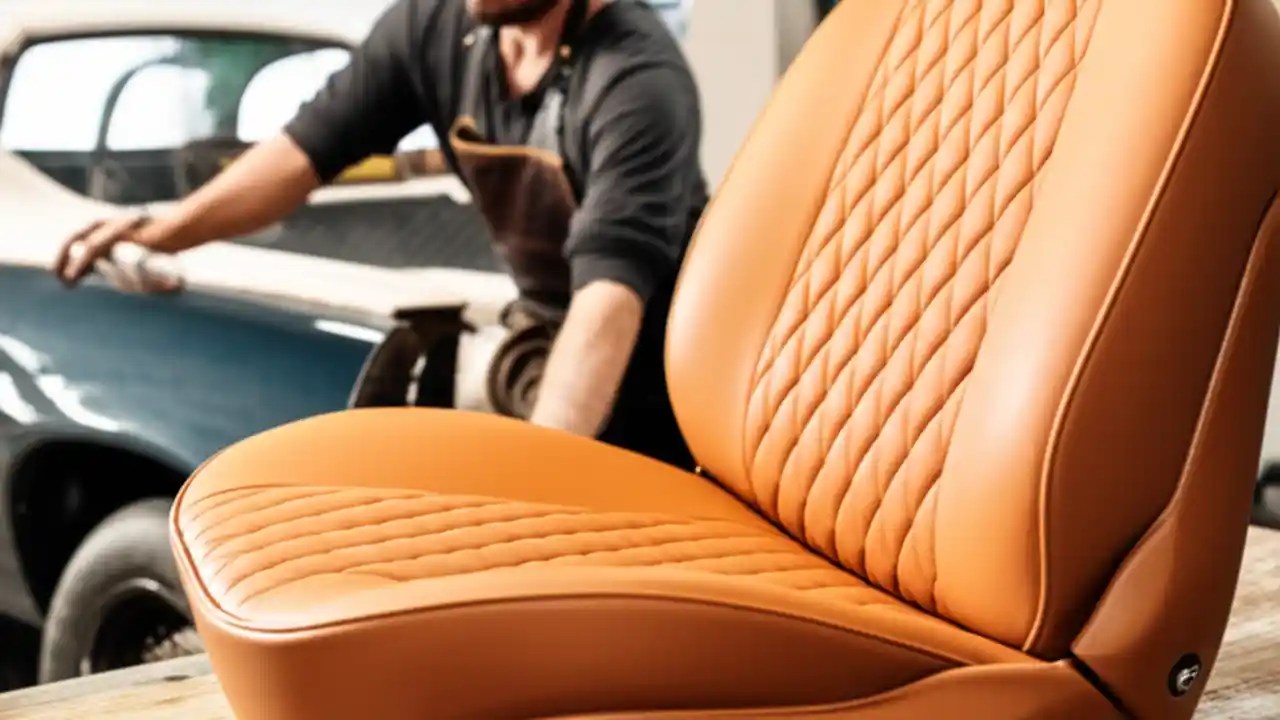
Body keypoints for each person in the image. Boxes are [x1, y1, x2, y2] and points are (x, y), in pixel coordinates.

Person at [51, 0, 707, 470]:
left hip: (666, 377)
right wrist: (164, 229)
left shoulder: (636, 78)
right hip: (554, 338)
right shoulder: (433, 28)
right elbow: (301, 154)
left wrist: (544, 477)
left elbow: (610, 296)